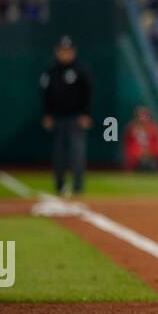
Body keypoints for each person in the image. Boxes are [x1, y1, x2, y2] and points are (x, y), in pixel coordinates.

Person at [40, 35, 92, 196]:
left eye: (68, 51)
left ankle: (78, 186)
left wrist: (86, 114)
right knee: (59, 153)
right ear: (57, 52)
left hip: (76, 117)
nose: (65, 54)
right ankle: (60, 185)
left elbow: (88, 93)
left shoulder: (80, 70)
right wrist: (47, 114)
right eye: (63, 51)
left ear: (73, 52)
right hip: (58, 117)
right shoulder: (51, 71)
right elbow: (45, 94)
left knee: (77, 152)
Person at [124, 106, 158, 171]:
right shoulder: (131, 128)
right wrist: (139, 153)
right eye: (140, 116)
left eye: (144, 116)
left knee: (151, 163)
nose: (142, 118)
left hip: (151, 155)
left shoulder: (153, 128)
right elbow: (129, 146)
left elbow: (157, 146)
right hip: (136, 156)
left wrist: (150, 152)